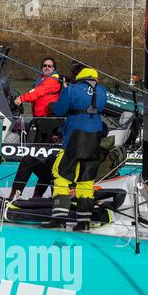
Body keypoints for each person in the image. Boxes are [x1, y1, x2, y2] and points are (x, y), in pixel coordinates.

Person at [46, 66, 108, 231]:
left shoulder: (72, 89)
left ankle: (59, 219)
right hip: (94, 138)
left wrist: (52, 105)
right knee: (86, 180)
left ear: (77, 75)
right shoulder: (102, 90)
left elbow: (59, 109)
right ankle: (84, 222)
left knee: (61, 174)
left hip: (74, 136)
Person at [14, 58, 63, 140]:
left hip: (46, 117)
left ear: (53, 68)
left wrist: (22, 98)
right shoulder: (43, 79)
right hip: (39, 116)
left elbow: (37, 92)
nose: (47, 67)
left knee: (39, 138)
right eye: (45, 65)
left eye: (49, 66)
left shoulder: (52, 80)